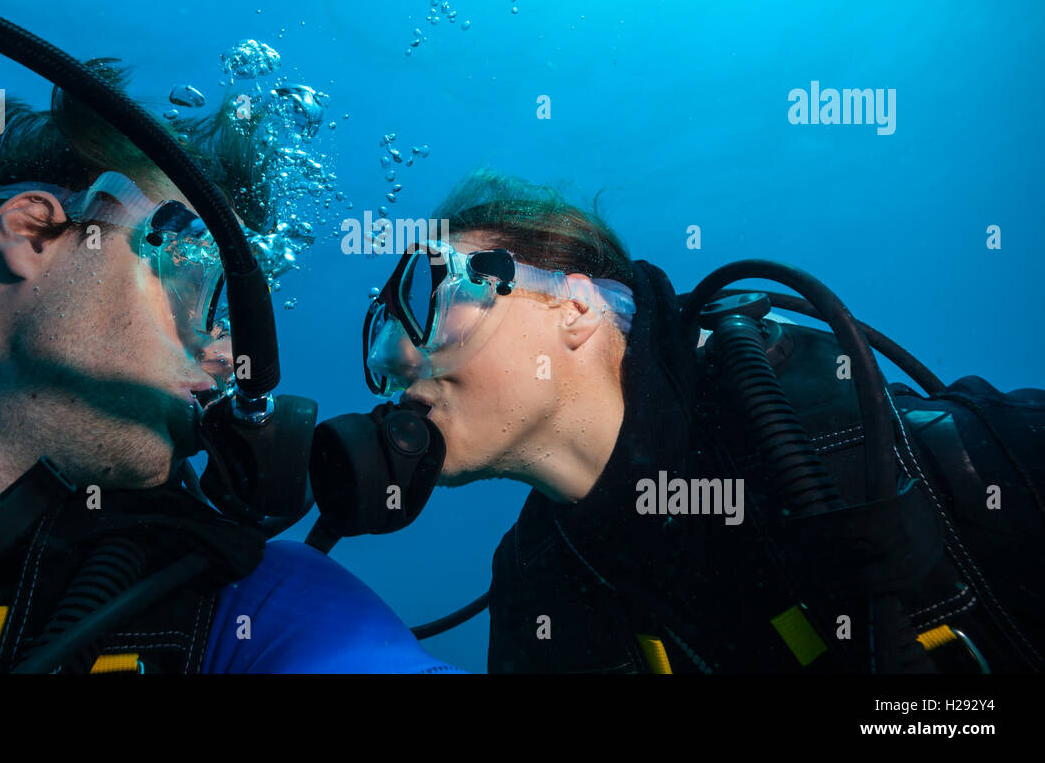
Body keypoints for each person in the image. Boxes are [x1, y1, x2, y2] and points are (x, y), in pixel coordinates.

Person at [0, 60, 458, 674]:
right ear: (32, 232)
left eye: (230, 319)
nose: (225, 354)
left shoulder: (251, 606)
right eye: (193, 278)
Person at [361, 168, 1045, 673]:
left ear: (572, 308)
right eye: (382, 327)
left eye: (434, 289)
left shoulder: (855, 435)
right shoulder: (533, 592)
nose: (393, 359)